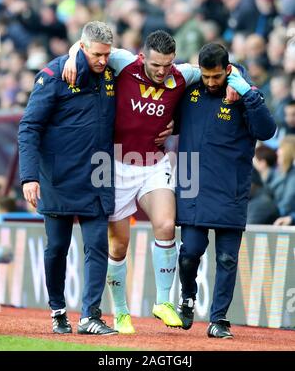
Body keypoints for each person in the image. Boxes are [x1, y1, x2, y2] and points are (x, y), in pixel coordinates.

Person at [63, 29, 240, 334]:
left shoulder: (183, 74)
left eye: (167, 65)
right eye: (156, 65)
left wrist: (237, 78)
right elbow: (86, 46)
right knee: (118, 245)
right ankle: (120, 312)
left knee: (166, 225)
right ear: (143, 57)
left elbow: (222, 67)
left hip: (153, 163)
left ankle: (162, 302)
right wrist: (71, 55)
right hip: (113, 163)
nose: (162, 71)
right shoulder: (123, 62)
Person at [18, 21, 118, 335]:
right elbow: (29, 127)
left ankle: (90, 315)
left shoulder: (113, 70)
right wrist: (29, 177)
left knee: (98, 245)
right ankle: (58, 309)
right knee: (57, 248)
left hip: (99, 173)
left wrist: (77, 52)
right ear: (82, 46)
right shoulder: (54, 76)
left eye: (107, 55)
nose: (103, 61)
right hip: (59, 174)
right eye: (97, 55)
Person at [174, 42, 276, 338]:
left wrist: (248, 93)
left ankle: (218, 319)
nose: (210, 83)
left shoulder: (244, 94)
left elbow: (267, 131)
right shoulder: (191, 90)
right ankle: (188, 296)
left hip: (230, 187)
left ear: (228, 70)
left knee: (227, 259)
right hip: (193, 184)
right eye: (205, 76)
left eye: (216, 77)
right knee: (189, 253)